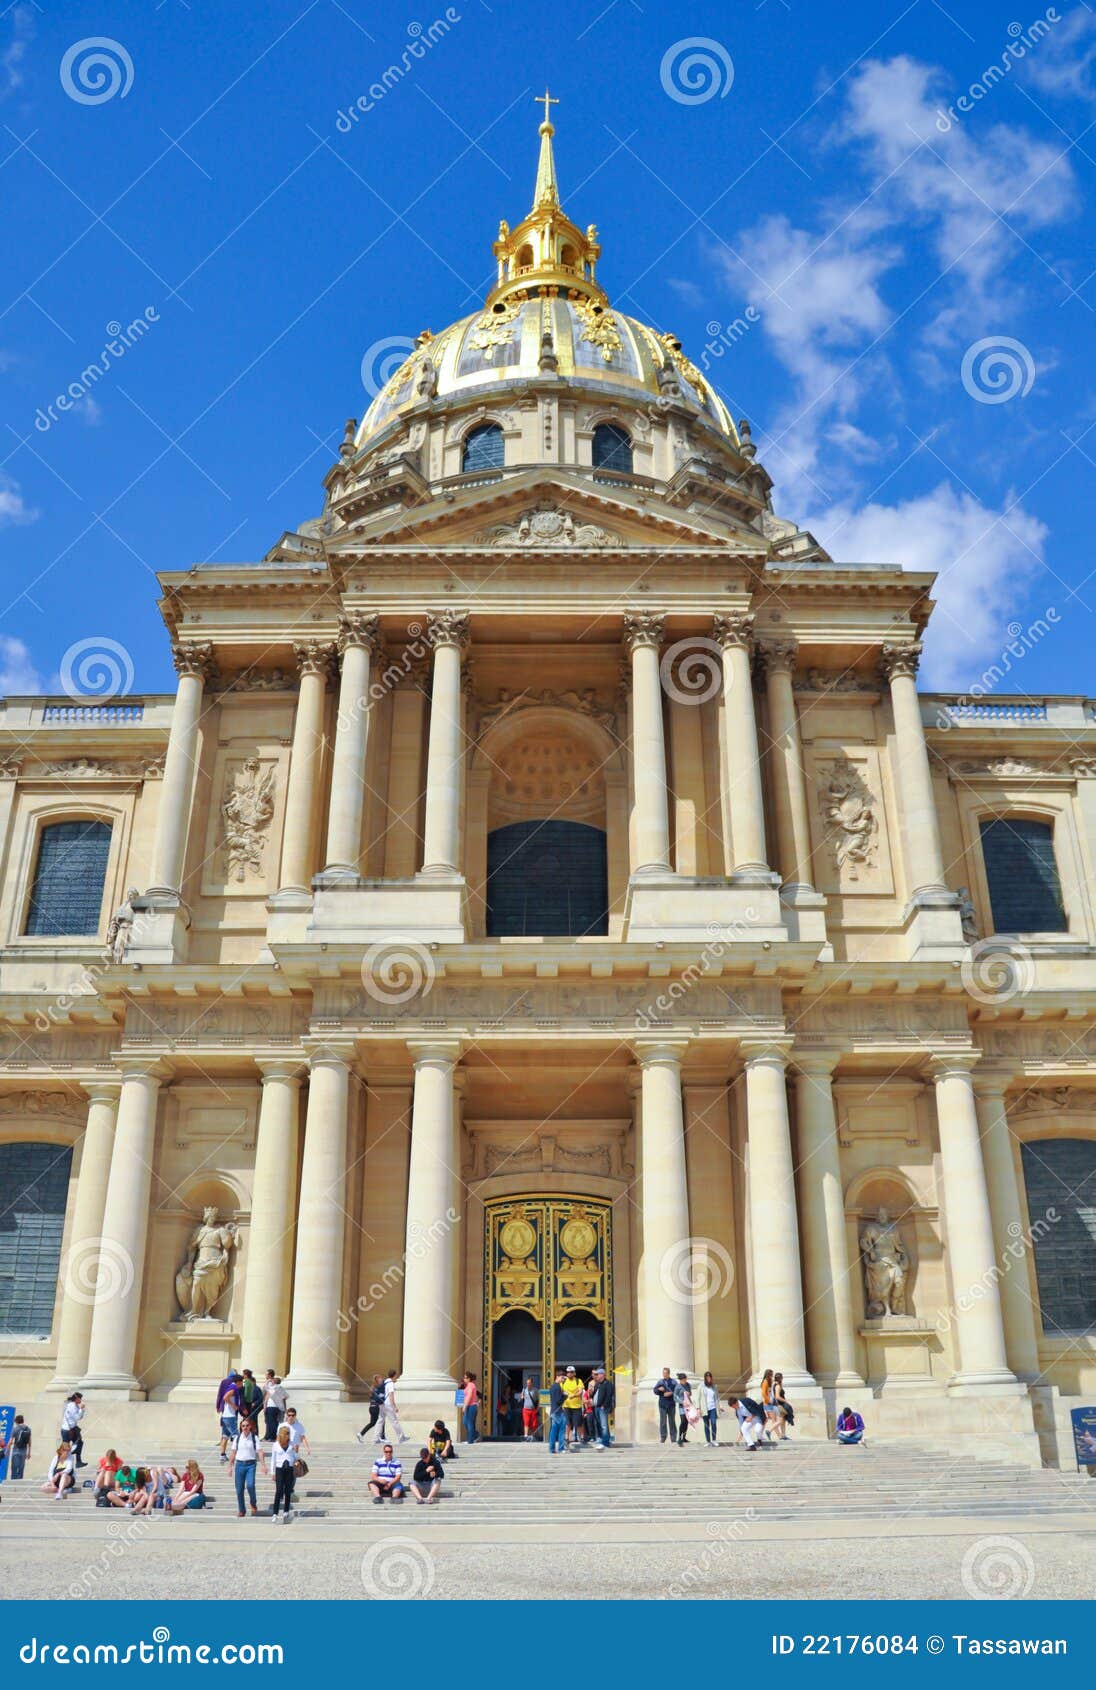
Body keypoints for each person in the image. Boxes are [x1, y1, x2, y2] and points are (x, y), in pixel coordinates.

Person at [263, 1427, 295, 1524]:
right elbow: (273, 1459)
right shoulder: (276, 1445)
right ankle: (275, 1514)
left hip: (289, 1468)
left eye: (289, 1433)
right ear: (282, 1434)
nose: (288, 1435)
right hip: (279, 1469)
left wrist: (296, 1451)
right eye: (287, 1433)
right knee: (279, 1490)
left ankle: (286, 1511)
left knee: (288, 1491)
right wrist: (273, 1472)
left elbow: (295, 1456)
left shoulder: (292, 1444)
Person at [230, 1416, 261, 1517]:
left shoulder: (254, 1438)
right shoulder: (237, 1438)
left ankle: (253, 1503)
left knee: (250, 1485)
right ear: (240, 1427)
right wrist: (230, 1466)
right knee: (239, 1489)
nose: (245, 1427)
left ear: (250, 1426)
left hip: (251, 1465)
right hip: (239, 1465)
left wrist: (264, 1464)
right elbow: (233, 1453)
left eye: (247, 1425)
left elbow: (260, 1451)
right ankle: (242, 1510)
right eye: (243, 1426)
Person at [376, 1369, 408, 1445]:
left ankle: (376, 1438)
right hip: (388, 1404)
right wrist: (394, 1407)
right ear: (394, 1375)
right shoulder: (390, 1384)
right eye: (396, 1375)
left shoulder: (385, 1382)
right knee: (394, 1421)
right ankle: (401, 1437)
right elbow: (391, 1396)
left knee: (380, 1420)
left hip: (381, 1403)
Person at [217, 1371, 241, 1463]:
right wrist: (233, 1406)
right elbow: (225, 1397)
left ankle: (222, 1455)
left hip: (225, 1416)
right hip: (230, 1416)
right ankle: (237, 1454)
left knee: (225, 1436)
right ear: (238, 1381)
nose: (242, 1384)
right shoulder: (234, 1387)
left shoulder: (230, 1386)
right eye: (241, 1382)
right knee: (237, 1436)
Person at [590, 1366, 615, 1449]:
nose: (597, 1376)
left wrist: (604, 1405)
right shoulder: (598, 1384)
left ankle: (605, 1443)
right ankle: (603, 1440)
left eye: (598, 1374)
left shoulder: (608, 1384)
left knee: (604, 1425)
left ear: (603, 1375)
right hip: (596, 1407)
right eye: (596, 1374)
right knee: (600, 1424)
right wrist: (591, 1394)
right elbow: (594, 1395)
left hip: (602, 1407)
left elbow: (609, 1396)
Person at [357, 1375, 385, 1444]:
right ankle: (382, 1437)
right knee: (381, 1421)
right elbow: (379, 1398)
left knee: (373, 1423)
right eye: (380, 1378)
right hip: (376, 1407)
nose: (382, 1379)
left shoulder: (373, 1387)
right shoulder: (377, 1388)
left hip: (372, 1407)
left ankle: (361, 1434)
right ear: (377, 1380)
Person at [561, 1365, 585, 1448]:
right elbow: (561, 1392)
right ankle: (567, 1438)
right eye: (568, 1372)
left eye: (571, 1372)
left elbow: (581, 1392)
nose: (569, 1374)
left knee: (578, 1423)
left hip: (577, 1406)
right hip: (567, 1406)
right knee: (568, 1423)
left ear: (574, 1373)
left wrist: (574, 1395)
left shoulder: (578, 1381)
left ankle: (581, 1437)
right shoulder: (563, 1381)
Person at [60, 1393, 86, 1467]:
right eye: (80, 1398)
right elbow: (77, 1417)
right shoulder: (72, 1406)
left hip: (72, 1429)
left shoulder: (74, 1405)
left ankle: (78, 1461)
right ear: (76, 1399)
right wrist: (81, 1409)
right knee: (65, 1448)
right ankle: (61, 1464)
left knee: (79, 1442)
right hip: (68, 1430)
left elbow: (79, 1417)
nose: (81, 1400)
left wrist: (81, 1409)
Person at [654, 1366, 676, 1444]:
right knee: (663, 1422)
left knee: (672, 1421)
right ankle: (663, 1437)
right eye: (663, 1373)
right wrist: (659, 1389)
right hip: (662, 1405)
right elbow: (655, 1390)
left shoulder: (673, 1382)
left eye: (665, 1373)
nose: (664, 1374)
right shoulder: (660, 1382)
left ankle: (673, 1438)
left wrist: (671, 1393)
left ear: (668, 1373)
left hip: (671, 1404)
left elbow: (677, 1391)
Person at [262, 1372, 286, 1443]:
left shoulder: (272, 1388)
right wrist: (285, 1409)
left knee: (270, 1423)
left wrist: (264, 1407)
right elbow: (283, 1399)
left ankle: (271, 1436)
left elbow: (266, 1397)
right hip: (278, 1408)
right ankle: (273, 1436)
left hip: (271, 1407)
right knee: (275, 1422)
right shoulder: (281, 1389)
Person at [548, 1367, 567, 1455]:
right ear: (558, 1376)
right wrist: (565, 1395)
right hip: (558, 1412)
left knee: (553, 1431)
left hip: (554, 1411)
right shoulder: (557, 1387)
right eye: (562, 1378)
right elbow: (559, 1400)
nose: (563, 1379)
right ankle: (561, 1448)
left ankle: (552, 1449)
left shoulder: (553, 1387)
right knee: (561, 1430)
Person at [674, 1372, 697, 1445]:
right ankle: (679, 1438)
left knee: (687, 1422)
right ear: (680, 1380)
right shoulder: (677, 1387)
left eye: (685, 1379)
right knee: (683, 1420)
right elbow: (675, 1397)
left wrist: (689, 1393)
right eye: (683, 1379)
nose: (685, 1380)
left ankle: (684, 1437)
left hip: (688, 1406)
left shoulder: (688, 1385)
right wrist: (681, 1401)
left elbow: (690, 1393)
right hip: (682, 1406)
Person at [759, 1368, 781, 1441]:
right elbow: (763, 1394)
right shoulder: (765, 1382)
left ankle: (779, 1436)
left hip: (769, 1403)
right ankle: (768, 1432)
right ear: (769, 1375)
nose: (773, 1376)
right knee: (776, 1421)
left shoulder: (768, 1382)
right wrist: (768, 1401)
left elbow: (769, 1391)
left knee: (767, 1420)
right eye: (772, 1374)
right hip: (768, 1404)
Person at [700, 1372, 720, 1446]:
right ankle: (708, 1441)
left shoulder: (714, 1386)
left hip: (713, 1408)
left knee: (714, 1423)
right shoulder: (701, 1386)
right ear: (705, 1378)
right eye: (707, 1377)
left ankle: (714, 1440)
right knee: (706, 1425)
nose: (708, 1378)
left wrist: (719, 1406)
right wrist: (698, 1408)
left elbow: (717, 1397)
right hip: (705, 1408)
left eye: (710, 1377)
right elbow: (698, 1398)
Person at [772, 1372, 794, 1439]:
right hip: (780, 1405)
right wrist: (786, 1401)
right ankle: (769, 1431)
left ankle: (783, 1435)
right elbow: (777, 1397)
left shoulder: (776, 1385)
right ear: (781, 1378)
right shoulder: (778, 1386)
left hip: (779, 1405)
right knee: (781, 1420)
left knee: (783, 1420)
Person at [9, 1415, 31, 1480]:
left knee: (14, 1467)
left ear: (17, 1421)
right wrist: (29, 1452)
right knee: (21, 1467)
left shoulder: (15, 1429)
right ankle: (19, 1480)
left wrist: (7, 1451)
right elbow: (29, 1442)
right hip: (24, 1450)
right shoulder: (28, 1429)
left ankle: (13, 1481)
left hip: (16, 1449)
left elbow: (10, 1441)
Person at [461, 1372, 479, 1445]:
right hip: (469, 1406)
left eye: (465, 1378)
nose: (464, 1379)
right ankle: (475, 1435)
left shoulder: (471, 1385)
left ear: (469, 1378)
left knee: (469, 1423)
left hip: (471, 1406)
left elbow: (469, 1396)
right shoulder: (467, 1385)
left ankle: (470, 1440)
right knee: (465, 1422)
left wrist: (465, 1406)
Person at [519, 1376, 539, 1441]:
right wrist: (521, 1397)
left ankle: (532, 1436)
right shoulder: (524, 1390)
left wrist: (538, 1409)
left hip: (533, 1409)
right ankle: (526, 1435)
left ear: (532, 1383)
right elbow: (521, 1397)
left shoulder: (535, 1390)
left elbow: (539, 1400)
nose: (528, 1384)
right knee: (526, 1422)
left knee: (533, 1424)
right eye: (527, 1383)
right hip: (525, 1409)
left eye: (529, 1383)